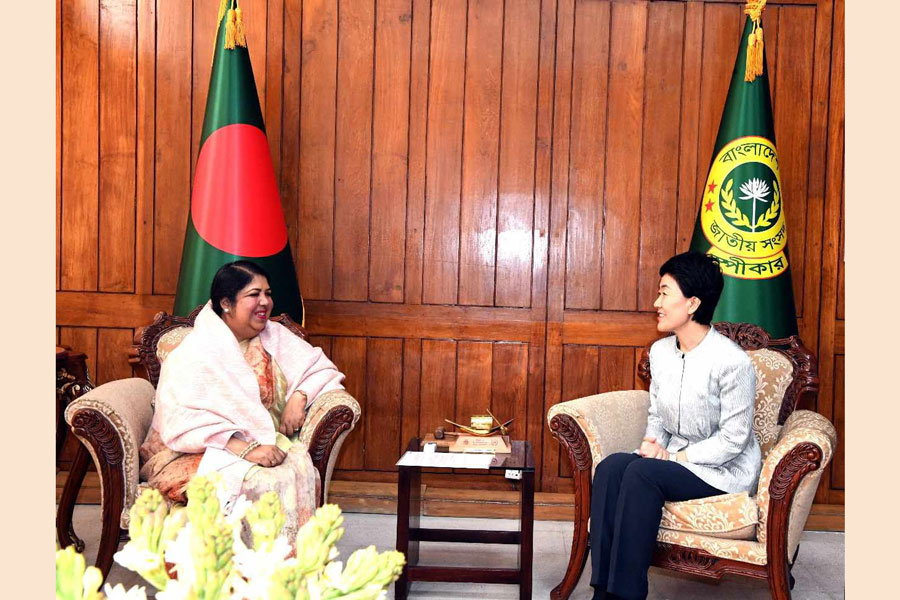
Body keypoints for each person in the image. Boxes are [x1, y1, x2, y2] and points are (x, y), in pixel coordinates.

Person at [589, 251, 761, 600]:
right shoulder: (661, 352)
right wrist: (653, 441)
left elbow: (734, 440)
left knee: (642, 474)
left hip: (722, 469)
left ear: (693, 302)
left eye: (665, 293)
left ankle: (626, 595)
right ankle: (602, 592)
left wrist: (673, 458)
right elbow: (658, 414)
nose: (657, 302)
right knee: (611, 468)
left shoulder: (732, 362)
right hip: (675, 457)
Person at [139, 260, 346, 540]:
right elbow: (180, 421)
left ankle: (284, 570)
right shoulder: (194, 352)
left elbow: (320, 368)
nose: (265, 302)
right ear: (226, 303)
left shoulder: (275, 336)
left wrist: (300, 396)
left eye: (268, 293)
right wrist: (243, 448)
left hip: (264, 442)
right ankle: (236, 571)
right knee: (261, 480)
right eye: (254, 295)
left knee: (293, 470)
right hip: (194, 450)